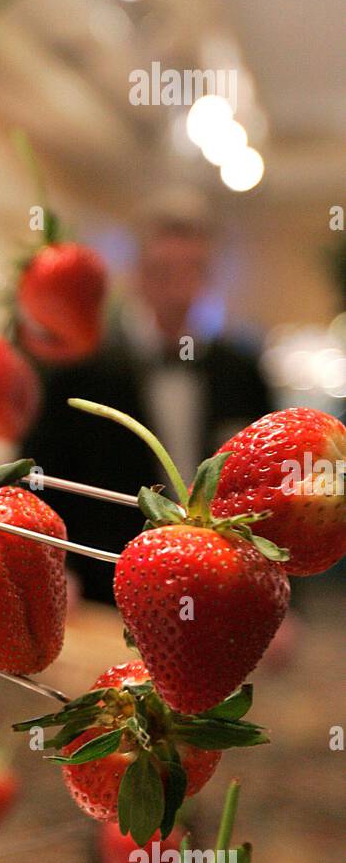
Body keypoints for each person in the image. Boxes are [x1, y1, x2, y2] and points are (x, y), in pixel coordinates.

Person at [25, 190, 273, 603]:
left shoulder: (242, 371)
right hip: (106, 586)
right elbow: (38, 478)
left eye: (192, 270)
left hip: (224, 590)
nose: (179, 289)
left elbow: (272, 489)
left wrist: (281, 593)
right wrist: (54, 569)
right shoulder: (79, 370)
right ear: (137, 272)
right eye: (163, 271)